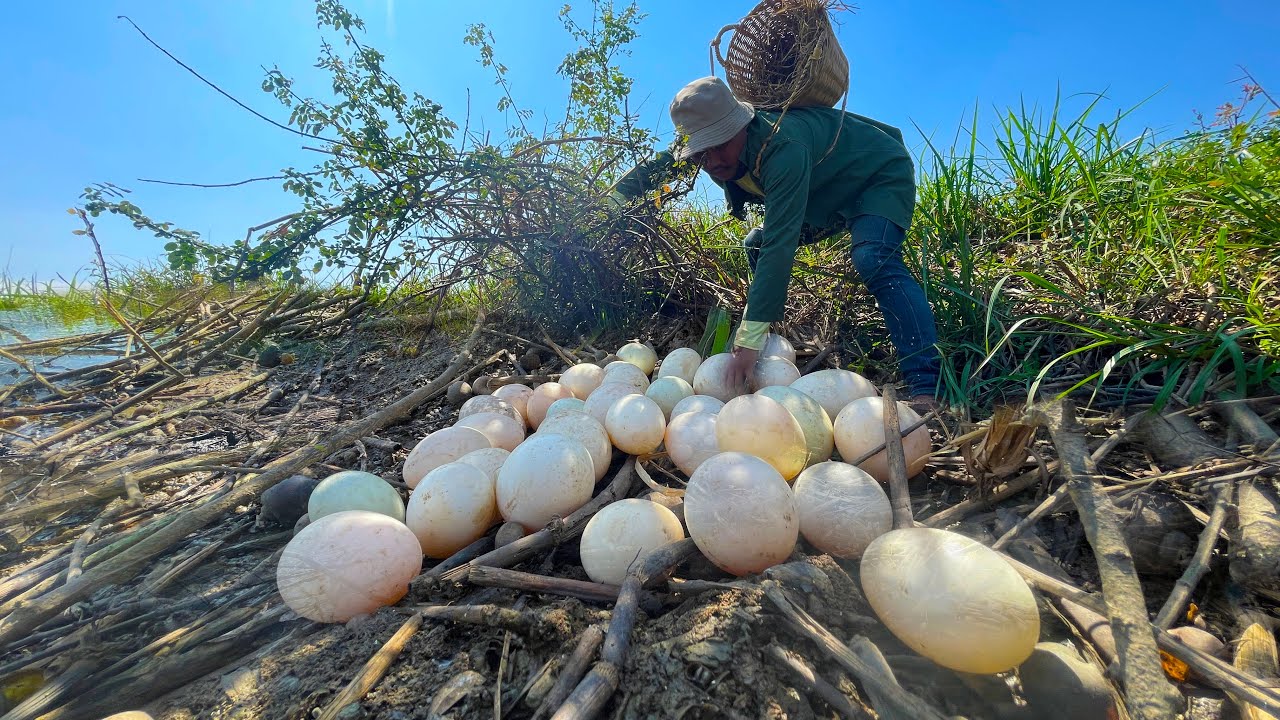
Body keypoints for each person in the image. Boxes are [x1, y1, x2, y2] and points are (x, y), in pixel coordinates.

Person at [609, 76, 942, 408]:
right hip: (824, 191)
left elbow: (779, 246)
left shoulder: (782, 146)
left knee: (873, 257)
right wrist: (606, 203)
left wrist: (746, 339)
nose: (713, 162)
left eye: (720, 145)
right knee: (755, 243)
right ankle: (773, 339)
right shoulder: (707, 149)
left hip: (876, 176)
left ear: (741, 125)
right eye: (700, 154)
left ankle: (926, 384)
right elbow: (658, 167)